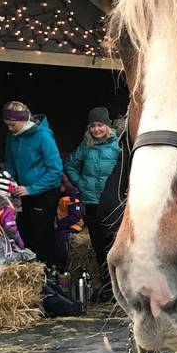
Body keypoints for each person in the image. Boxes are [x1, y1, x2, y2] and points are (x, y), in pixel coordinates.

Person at [64, 107, 121, 290]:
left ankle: (118, 286)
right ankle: (105, 285)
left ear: (107, 126)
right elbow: (70, 164)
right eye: (92, 126)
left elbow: (127, 169)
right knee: (98, 245)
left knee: (114, 243)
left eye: (100, 125)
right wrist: (80, 183)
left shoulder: (117, 146)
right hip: (91, 201)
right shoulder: (85, 146)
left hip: (111, 202)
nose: (96, 130)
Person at [2, 101, 63, 266]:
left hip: (44, 192)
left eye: (12, 124)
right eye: (7, 125)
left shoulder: (43, 136)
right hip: (22, 192)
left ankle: (47, 272)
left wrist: (31, 189)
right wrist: (10, 181)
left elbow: (55, 170)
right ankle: (30, 274)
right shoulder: (12, 136)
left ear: (23, 120)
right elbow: (9, 162)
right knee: (24, 233)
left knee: (40, 235)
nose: (9, 128)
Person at [53, 175, 86, 271]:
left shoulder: (73, 200)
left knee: (61, 238)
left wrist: (60, 224)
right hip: (63, 225)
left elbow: (75, 216)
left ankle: (62, 261)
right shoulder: (63, 198)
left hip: (73, 227)